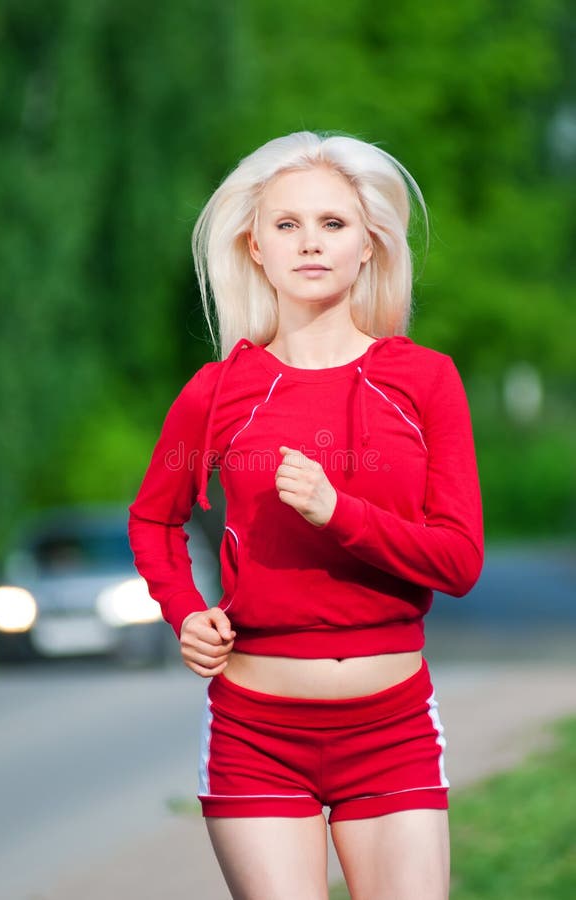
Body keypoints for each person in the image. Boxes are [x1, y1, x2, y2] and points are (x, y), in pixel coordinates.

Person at [127, 131, 484, 900]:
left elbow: (458, 562)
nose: (310, 244)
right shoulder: (217, 392)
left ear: (370, 246)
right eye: (287, 225)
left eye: (333, 224)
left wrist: (337, 512)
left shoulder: (425, 382)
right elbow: (154, 520)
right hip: (257, 734)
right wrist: (185, 612)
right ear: (255, 248)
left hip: (393, 730)